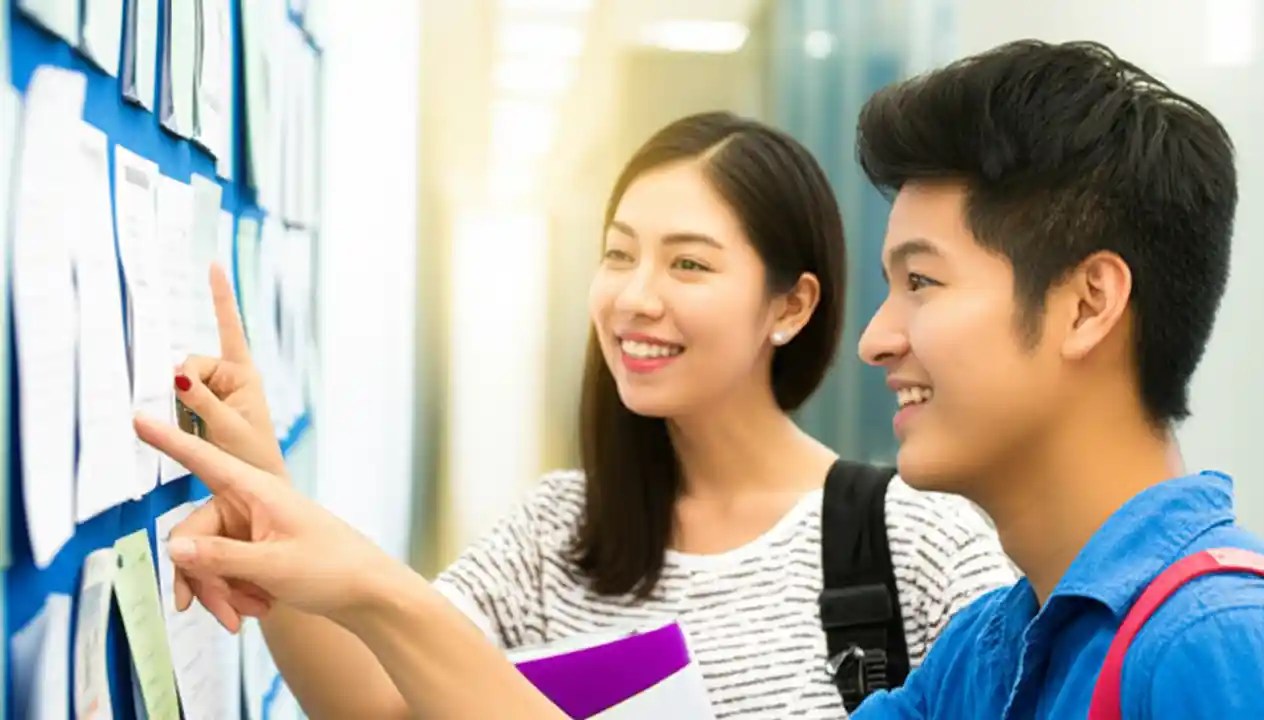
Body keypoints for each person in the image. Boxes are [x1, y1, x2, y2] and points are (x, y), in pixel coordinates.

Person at [138, 112, 1014, 719]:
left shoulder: (921, 539)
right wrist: (266, 501)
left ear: (790, 307)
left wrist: (370, 582)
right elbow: (375, 700)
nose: (636, 298)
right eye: (619, 255)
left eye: (689, 266)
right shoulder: (558, 529)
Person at [846, 40, 1264, 717]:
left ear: (1087, 305)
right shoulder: (983, 655)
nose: (875, 340)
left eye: (921, 282)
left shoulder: (1212, 641)